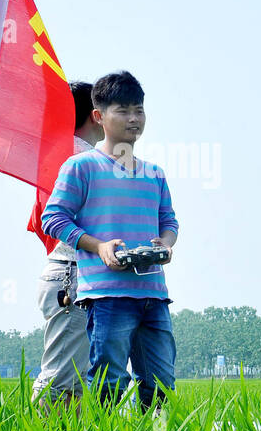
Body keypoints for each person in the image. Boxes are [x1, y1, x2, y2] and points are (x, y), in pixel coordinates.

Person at [42, 71, 179, 410]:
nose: (134, 118)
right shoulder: (80, 167)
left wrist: (165, 243)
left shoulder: (153, 173)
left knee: (161, 385)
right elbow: (54, 218)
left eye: (139, 110)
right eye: (123, 110)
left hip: (153, 294)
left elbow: (169, 221)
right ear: (100, 116)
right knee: (109, 382)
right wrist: (98, 246)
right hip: (106, 294)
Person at [31, 81, 103, 408]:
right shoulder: (83, 159)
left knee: (72, 378)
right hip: (74, 275)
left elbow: (40, 220)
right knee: (62, 377)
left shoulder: (57, 153)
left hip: (64, 272)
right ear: (95, 115)